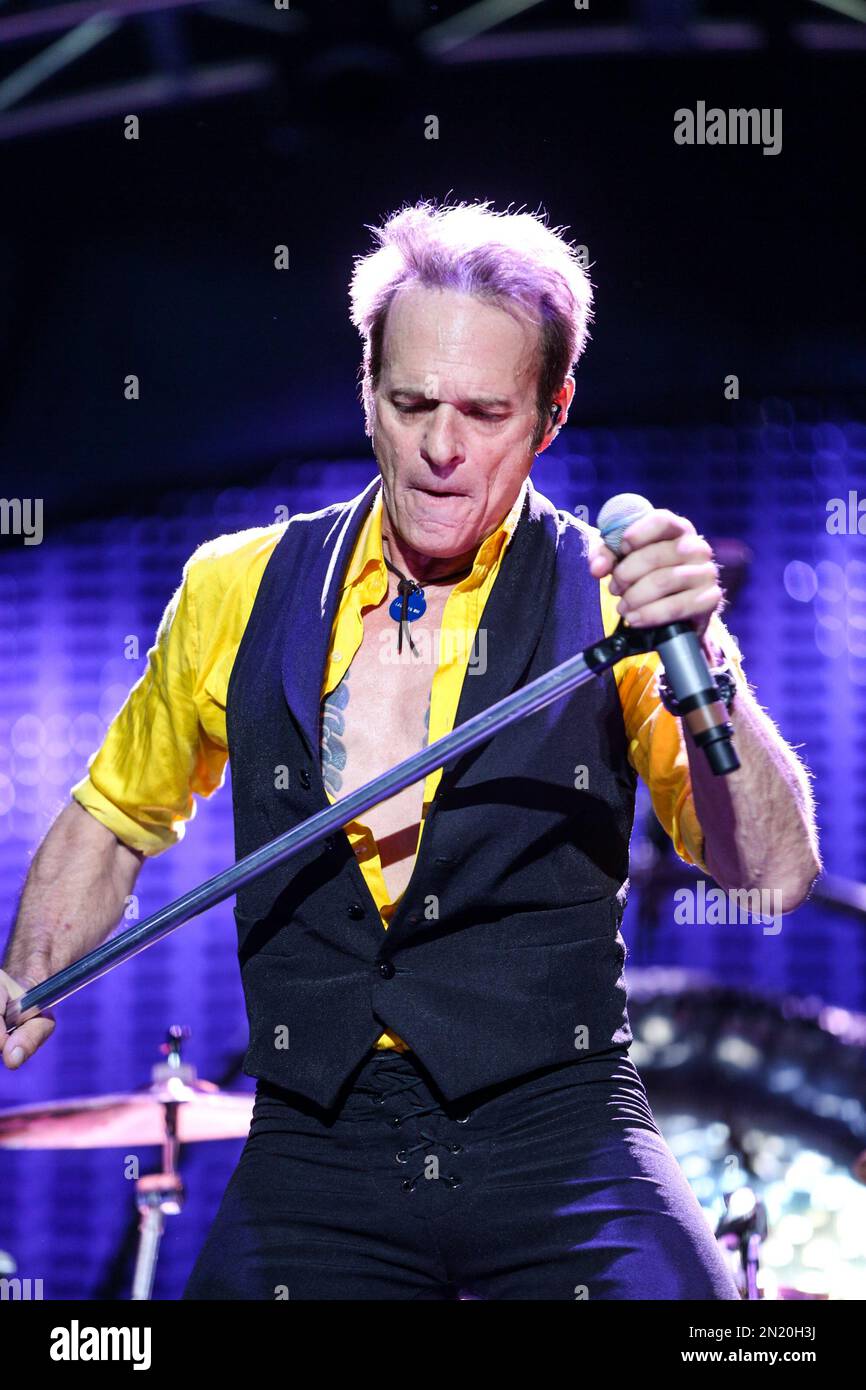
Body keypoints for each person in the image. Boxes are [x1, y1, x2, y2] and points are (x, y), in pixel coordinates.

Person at [1, 200, 821, 1300]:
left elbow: (767, 875)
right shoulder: (232, 588)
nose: (441, 449)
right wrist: (25, 977)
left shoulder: (611, 604)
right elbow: (113, 820)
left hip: (557, 1132)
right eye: (411, 403)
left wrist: (701, 655)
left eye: (485, 412)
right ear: (365, 393)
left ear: (550, 413)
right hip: (312, 1140)